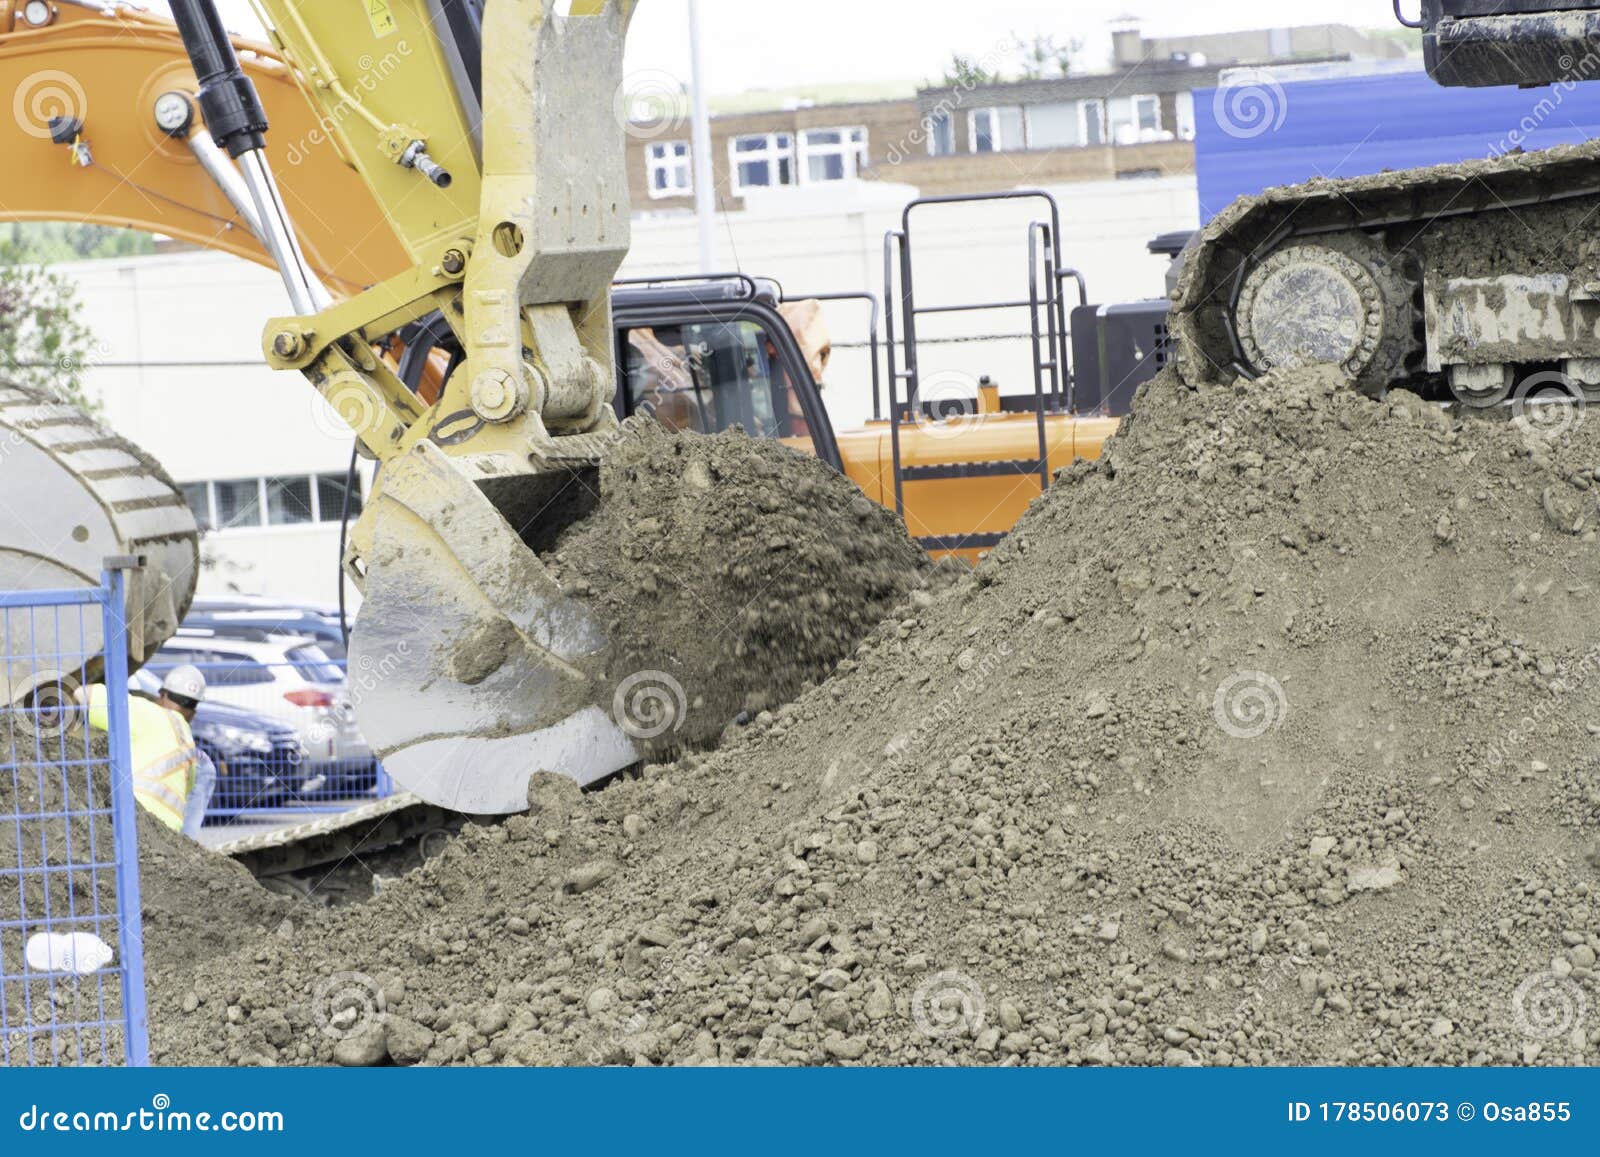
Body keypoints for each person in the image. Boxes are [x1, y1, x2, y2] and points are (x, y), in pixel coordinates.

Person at [82, 665, 210, 836]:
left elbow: (85, 694)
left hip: (132, 818)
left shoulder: (146, 712)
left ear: (162, 695)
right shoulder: (188, 742)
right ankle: (190, 842)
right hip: (171, 834)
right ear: (193, 712)